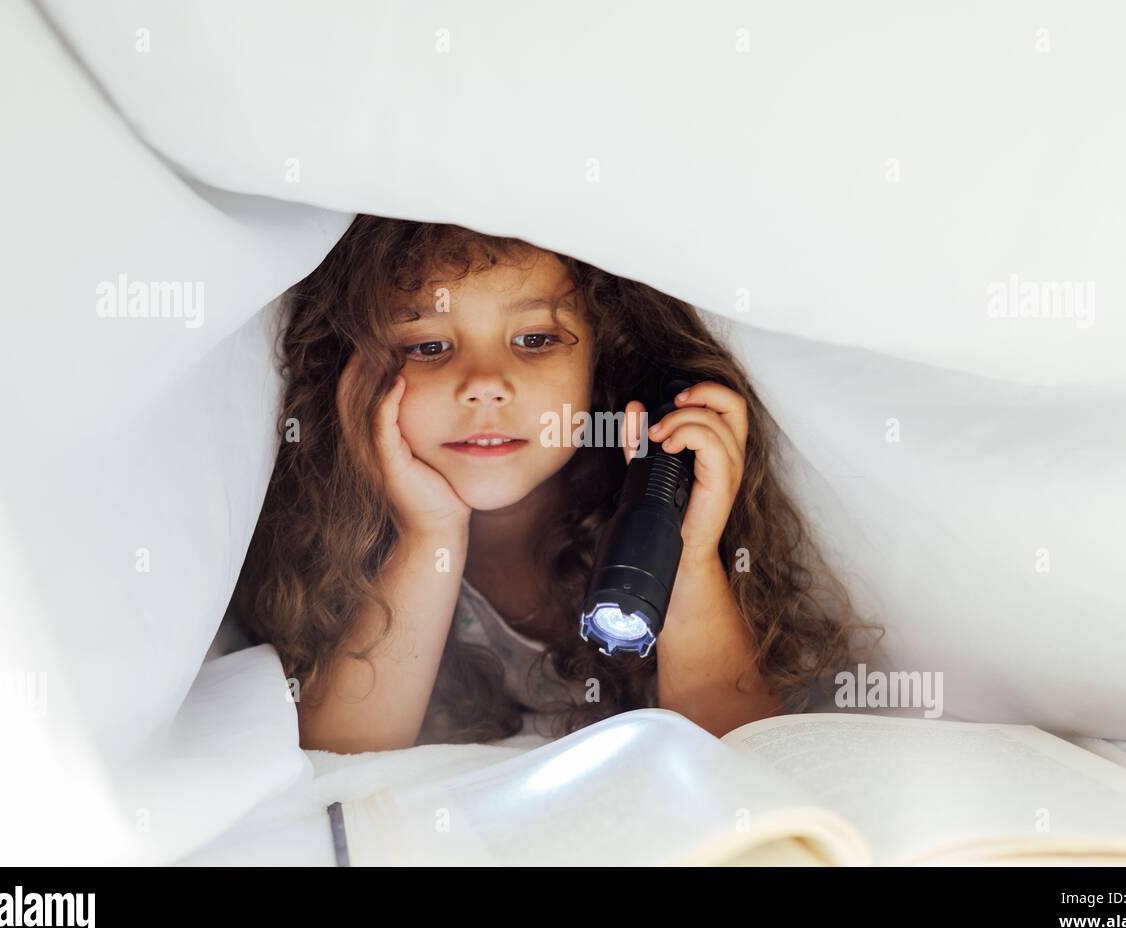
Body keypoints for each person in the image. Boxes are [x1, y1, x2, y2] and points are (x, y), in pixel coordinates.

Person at [233, 215, 884, 753]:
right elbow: (342, 760)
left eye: (535, 338)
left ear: (600, 362)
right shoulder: (346, 544)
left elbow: (742, 754)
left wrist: (683, 553)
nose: (486, 384)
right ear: (355, 382)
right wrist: (429, 533)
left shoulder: (636, 509)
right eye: (428, 347)